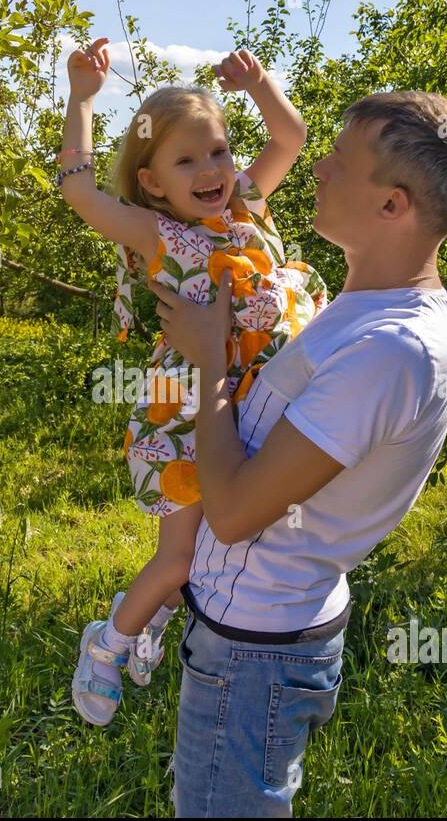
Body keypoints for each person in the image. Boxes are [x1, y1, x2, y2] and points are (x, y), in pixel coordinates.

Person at [147, 90, 447, 816]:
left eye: (339, 161)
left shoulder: (392, 351)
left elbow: (236, 512)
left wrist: (210, 363)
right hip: (254, 631)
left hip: (255, 650)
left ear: (393, 205)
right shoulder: (355, 309)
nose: (319, 171)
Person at [58, 38, 329, 726]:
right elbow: (78, 191)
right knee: (180, 558)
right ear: (152, 182)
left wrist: (260, 82)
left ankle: (141, 621)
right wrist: (82, 99)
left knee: (215, 552)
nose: (211, 169)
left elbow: (291, 135)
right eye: (187, 160)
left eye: (218, 151)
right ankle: (108, 643)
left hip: (250, 412)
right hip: (181, 418)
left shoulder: (245, 204)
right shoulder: (157, 233)